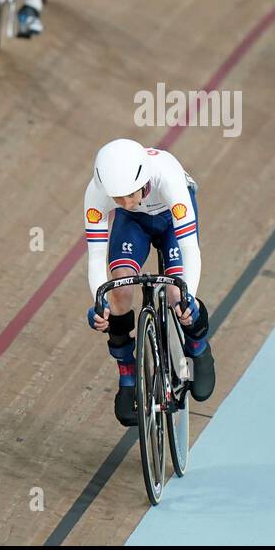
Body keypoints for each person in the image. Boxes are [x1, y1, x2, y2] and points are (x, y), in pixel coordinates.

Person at [84, 140, 215, 426]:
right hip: (133, 225)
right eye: (116, 199)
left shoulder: (167, 178)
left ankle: (198, 347)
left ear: (143, 180)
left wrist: (188, 296)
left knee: (175, 294)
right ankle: (127, 373)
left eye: (129, 195)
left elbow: (190, 248)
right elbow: (95, 255)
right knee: (118, 291)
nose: (125, 203)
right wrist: (99, 301)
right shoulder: (98, 192)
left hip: (171, 223)